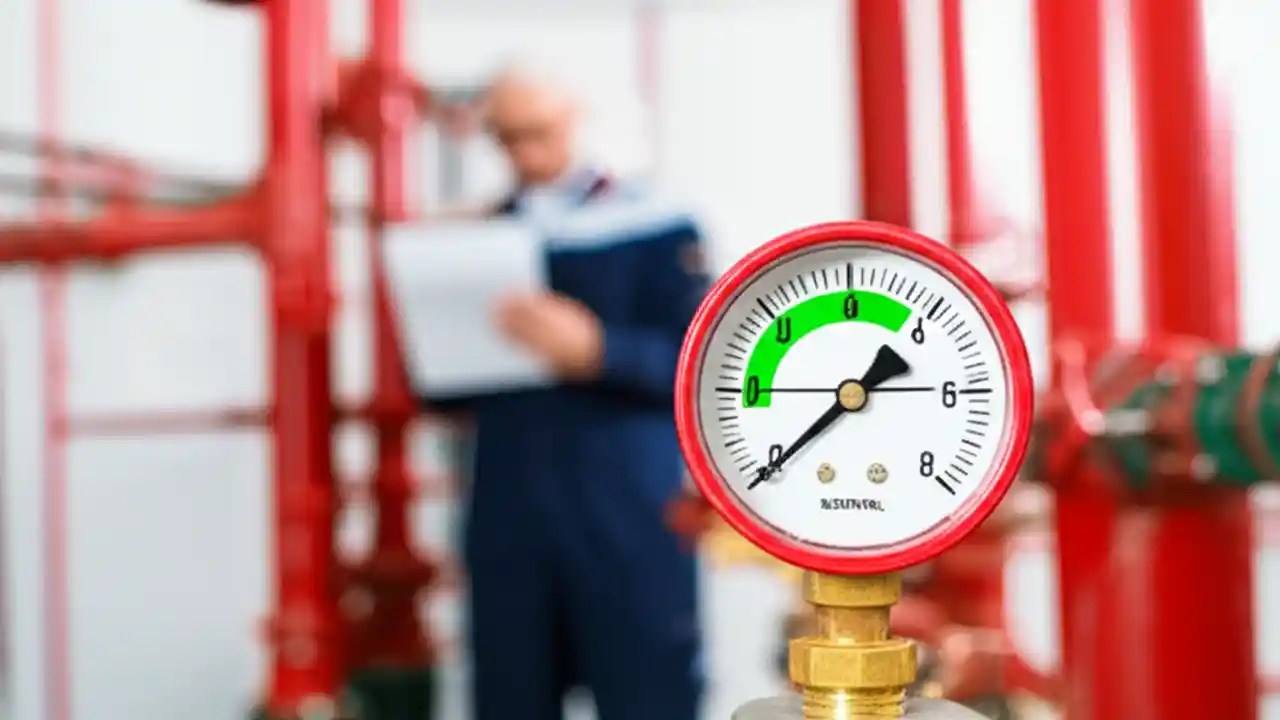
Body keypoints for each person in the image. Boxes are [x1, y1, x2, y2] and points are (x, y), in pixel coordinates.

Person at [444, 62, 707, 720]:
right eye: (507, 138)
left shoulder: (658, 224)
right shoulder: (474, 236)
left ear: (574, 118)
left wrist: (600, 351)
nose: (526, 153)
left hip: (629, 510)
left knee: (649, 698)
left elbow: (702, 369)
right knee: (510, 698)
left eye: (538, 132)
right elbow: (438, 392)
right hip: (510, 513)